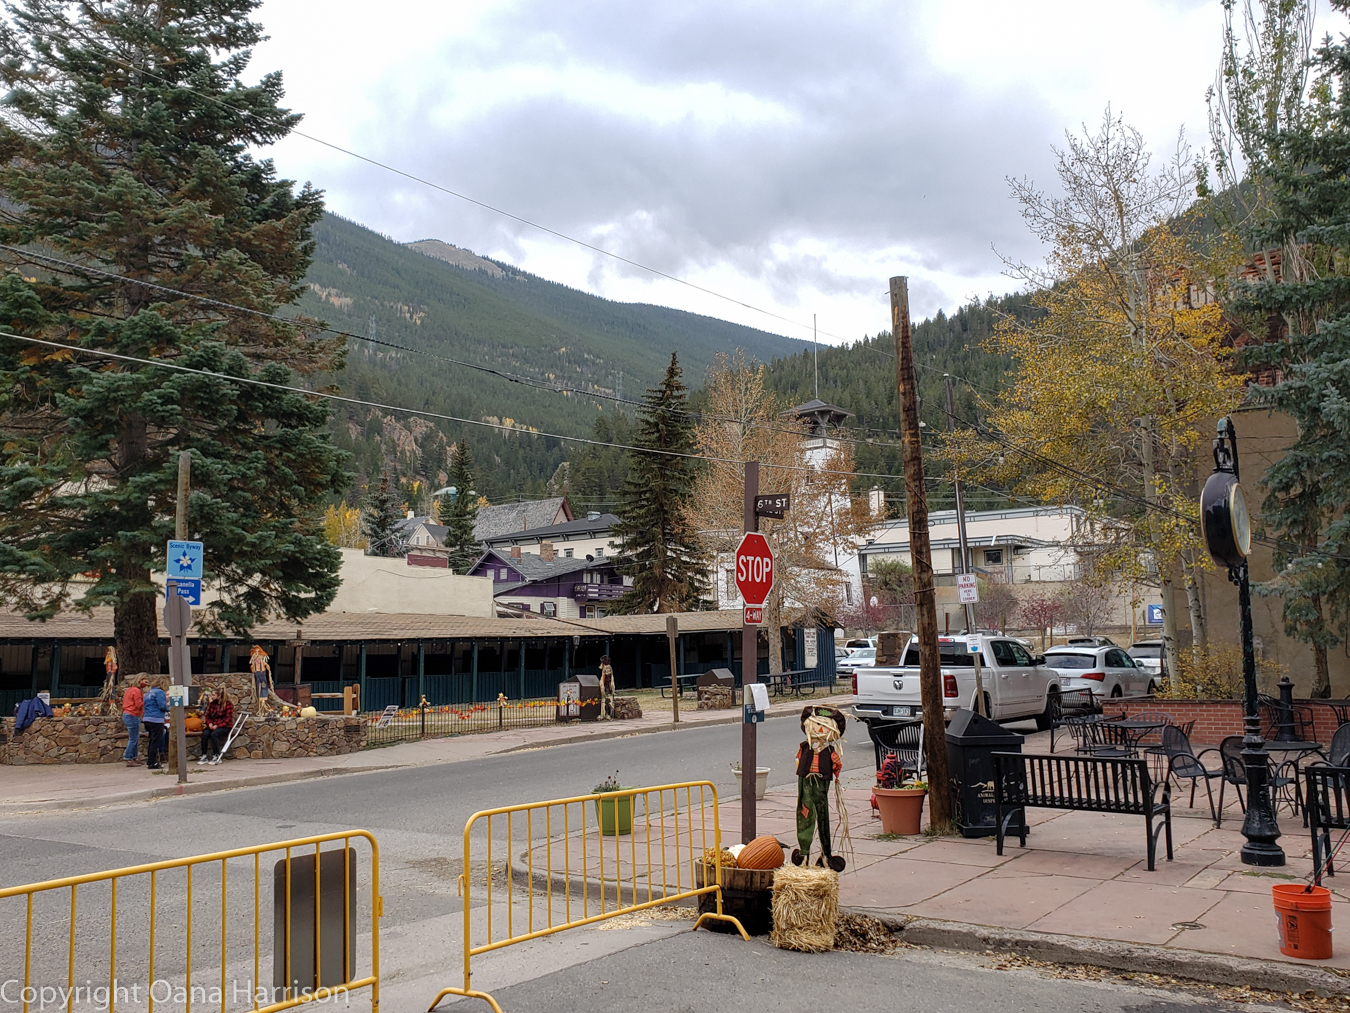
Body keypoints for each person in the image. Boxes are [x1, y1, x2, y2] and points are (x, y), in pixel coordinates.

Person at [792, 705, 847, 872]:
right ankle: (804, 853)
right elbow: (799, 759)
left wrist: (836, 770)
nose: (821, 728)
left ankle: (826, 855)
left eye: (825, 725)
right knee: (805, 812)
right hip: (806, 781)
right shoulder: (805, 746)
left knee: (822, 815)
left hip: (822, 783)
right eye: (817, 724)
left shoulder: (829, 750)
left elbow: (836, 764)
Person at [199, 689, 234, 764]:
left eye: (214, 695)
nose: (212, 697)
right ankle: (204, 755)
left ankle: (216, 754)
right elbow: (208, 716)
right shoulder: (212, 704)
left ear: (219, 696)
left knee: (214, 734)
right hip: (213, 725)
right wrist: (210, 723)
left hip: (224, 726)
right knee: (205, 734)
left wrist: (217, 725)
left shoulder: (228, 704)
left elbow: (228, 719)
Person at [141, 679, 168, 771]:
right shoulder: (159, 692)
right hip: (156, 719)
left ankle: (150, 760)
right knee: (156, 741)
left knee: (152, 740)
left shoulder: (149, 693)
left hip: (147, 719)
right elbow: (162, 706)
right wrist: (169, 708)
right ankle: (153, 762)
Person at [121, 679, 144, 766]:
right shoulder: (137, 691)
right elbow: (139, 704)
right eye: (145, 682)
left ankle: (134, 757)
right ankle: (128, 758)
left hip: (127, 714)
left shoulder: (129, 690)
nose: (146, 684)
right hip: (132, 715)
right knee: (133, 738)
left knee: (135, 737)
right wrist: (145, 699)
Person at [598, 654, 615, 720]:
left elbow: (606, 677)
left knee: (605, 700)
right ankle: (607, 714)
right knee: (608, 700)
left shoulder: (606, 667)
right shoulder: (609, 667)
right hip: (609, 686)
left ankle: (606, 714)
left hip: (606, 686)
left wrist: (604, 686)